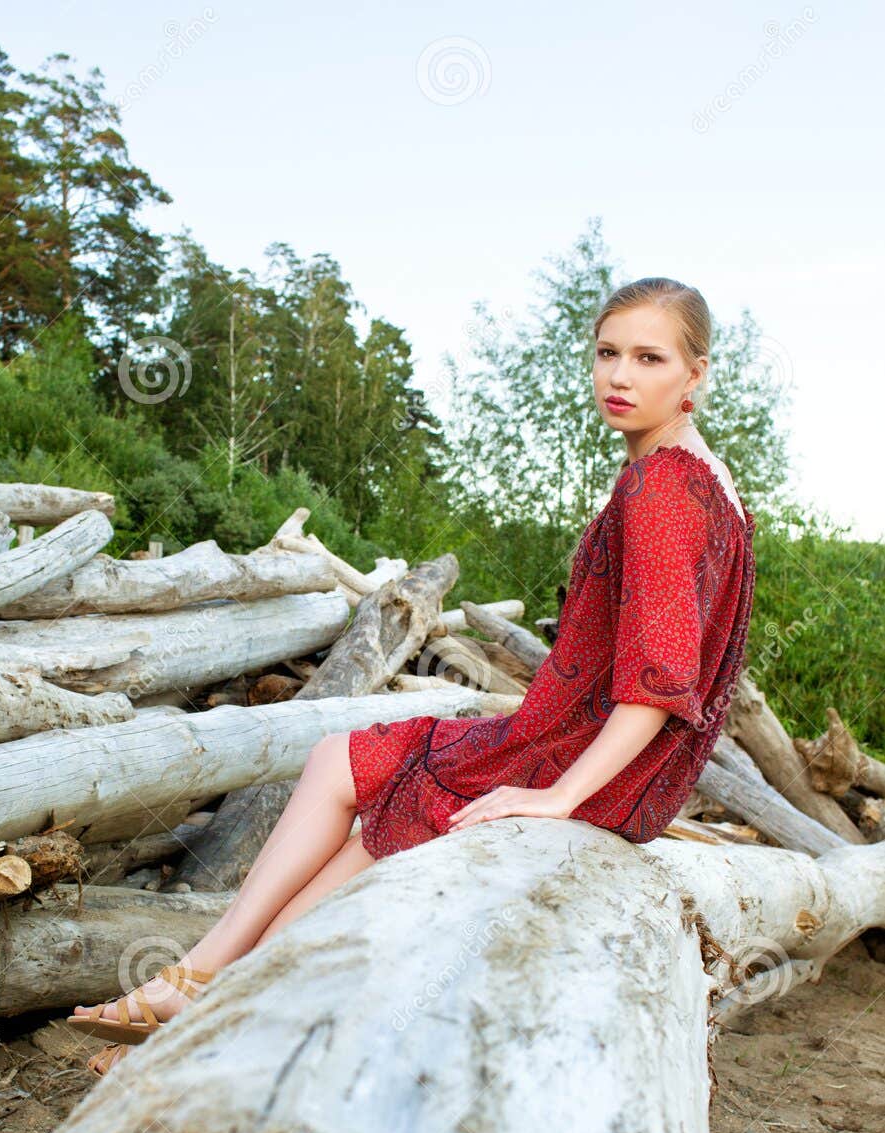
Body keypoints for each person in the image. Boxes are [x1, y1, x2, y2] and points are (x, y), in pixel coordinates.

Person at [70, 275, 757, 1075]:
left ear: (694, 375)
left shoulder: (661, 486)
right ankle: (198, 982)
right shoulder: (699, 477)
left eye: (649, 358)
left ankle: (197, 1006)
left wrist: (558, 795)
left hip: (583, 761)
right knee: (342, 763)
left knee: (371, 829)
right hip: (580, 745)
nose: (619, 377)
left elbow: (661, 676)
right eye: (608, 353)